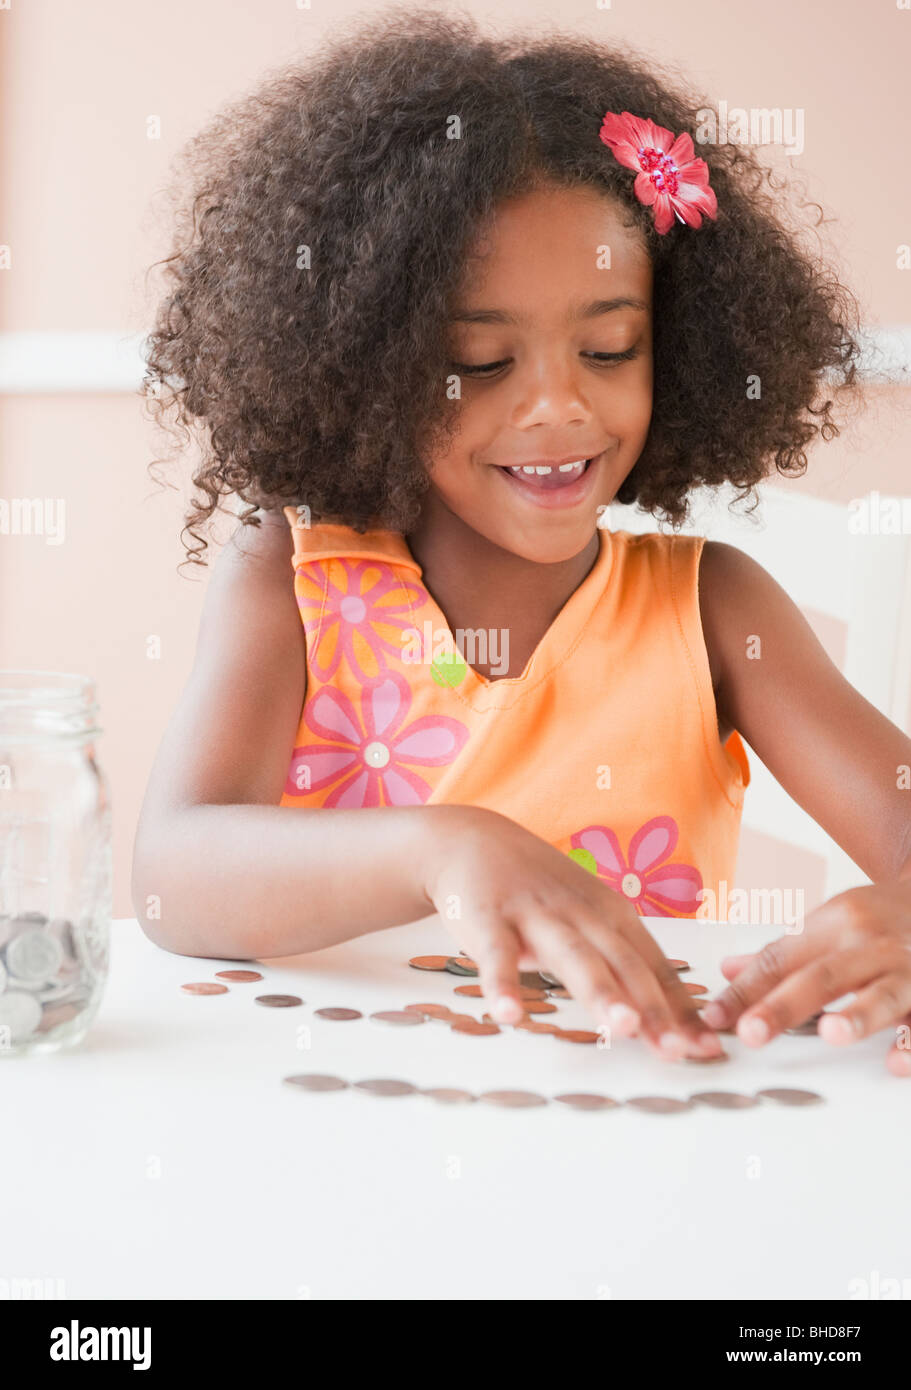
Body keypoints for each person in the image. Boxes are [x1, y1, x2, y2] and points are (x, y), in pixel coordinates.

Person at [132, 9, 911, 1071]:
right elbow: (174, 873)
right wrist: (442, 844)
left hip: (638, 1126)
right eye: (481, 363)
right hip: (341, 1122)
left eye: (607, 347)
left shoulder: (713, 608)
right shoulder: (295, 577)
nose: (556, 408)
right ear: (369, 370)